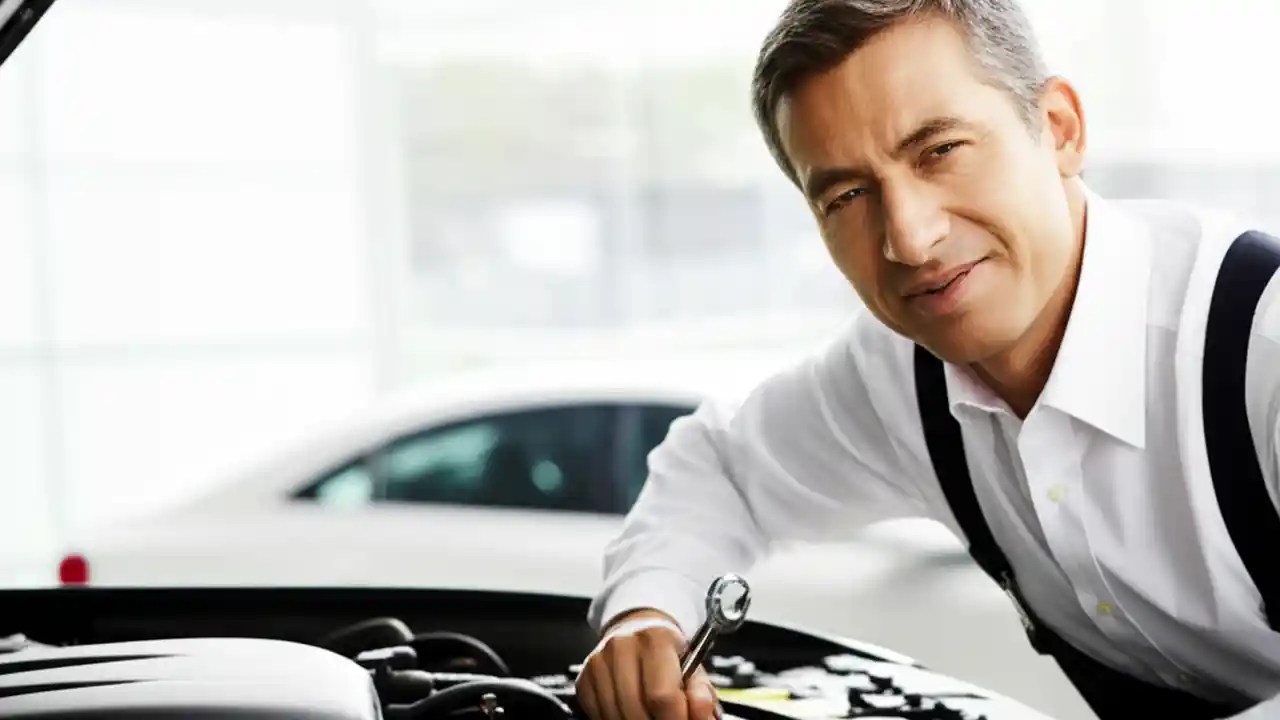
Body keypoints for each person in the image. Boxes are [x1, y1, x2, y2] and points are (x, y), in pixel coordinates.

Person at [573, 1, 1280, 719]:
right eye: (847, 195)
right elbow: (720, 469)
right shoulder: (898, 378)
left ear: (1059, 129)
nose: (908, 239)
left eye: (939, 150)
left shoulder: (1264, 348)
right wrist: (648, 613)